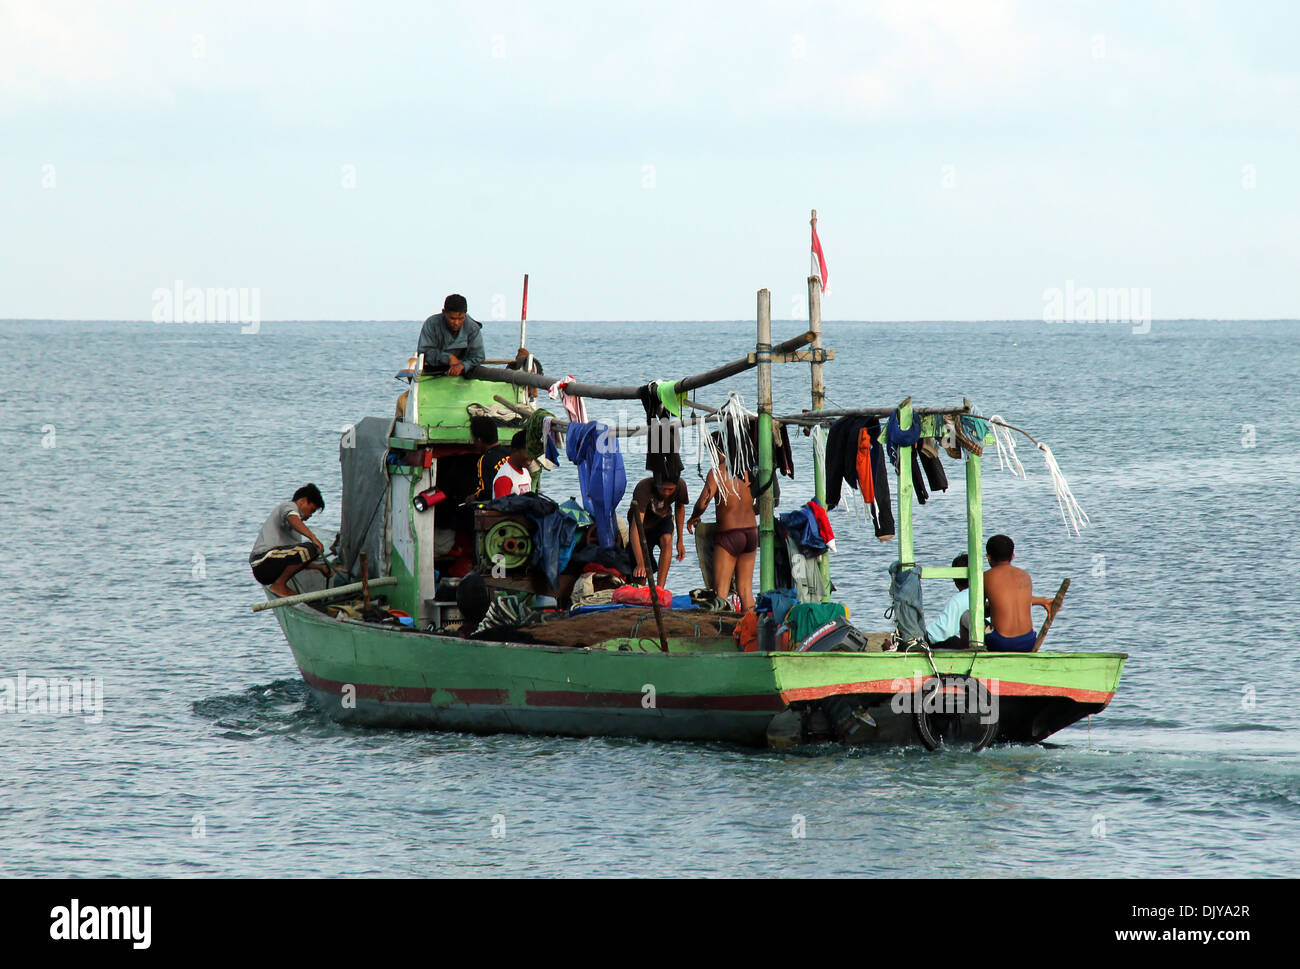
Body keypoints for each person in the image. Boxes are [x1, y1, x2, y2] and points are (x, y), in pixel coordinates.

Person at [686, 436, 758, 612]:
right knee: (746, 590)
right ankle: (754, 630)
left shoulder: (717, 472)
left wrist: (694, 516)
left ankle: (722, 630)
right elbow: (761, 502)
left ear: (718, 450)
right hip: (751, 533)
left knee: (721, 593)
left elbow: (703, 502)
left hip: (729, 535)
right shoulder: (748, 470)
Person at [249, 484, 331, 598]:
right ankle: (279, 585)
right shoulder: (288, 507)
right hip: (262, 562)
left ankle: (280, 585)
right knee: (311, 548)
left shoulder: (295, 533)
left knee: (308, 551)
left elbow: (296, 560)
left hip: (272, 566)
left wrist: (320, 567)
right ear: (302, 501)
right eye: (311, 510)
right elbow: (292, 518)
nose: (310, 515)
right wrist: (313, 538)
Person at [983, 534, 1057, 651]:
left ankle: (970, 654)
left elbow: (978, 610)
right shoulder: (1024, 575)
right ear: (1012, 556)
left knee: (967, 617)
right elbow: (1013, 598)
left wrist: (992, 607)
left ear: (988, 557)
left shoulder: (986, 577)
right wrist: (1043, 601)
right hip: (1028, 642)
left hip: (1001, 643)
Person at [627, 475, 688, 590]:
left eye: (670, 490)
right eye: (663, 489)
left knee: (667, 539)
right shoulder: (643, 488)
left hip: (662, 519)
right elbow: (636, 529)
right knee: (640, 575)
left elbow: (680, 508)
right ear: (656, 484)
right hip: (642, 526)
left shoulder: (680, 485)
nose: (666, 493)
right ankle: (640, 591)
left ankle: (660, 589)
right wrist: (641, 563)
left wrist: (680, 540)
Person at [417, 294, 485, 376]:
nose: (456, 323)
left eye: (461, 319)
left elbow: (478, 356)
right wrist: (448, 358)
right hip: (434, 369)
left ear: (465, 314)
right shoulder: (431, 324)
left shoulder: (473, 327)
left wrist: (462, 366)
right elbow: (423, 352)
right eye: (452, 318)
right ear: (443, 312)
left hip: (464, 371)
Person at [926, 553, 972, 649]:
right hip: (990, 640)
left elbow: (944, 630)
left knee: (935, 639)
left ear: (954, 579)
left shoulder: (958, 600)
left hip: (970, 645)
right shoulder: (987, 593)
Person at [468, 416, 511, 502]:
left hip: (501, 504)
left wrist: (474, 496)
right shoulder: (509, 453)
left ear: (479, 440)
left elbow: (485, 490)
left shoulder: (484, 460)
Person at [492, 432, 533, 497]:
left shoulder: (526, 472)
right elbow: (501, 506)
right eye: (528, 452)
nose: (531, 457)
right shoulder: (504, 478)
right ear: (515, 451)